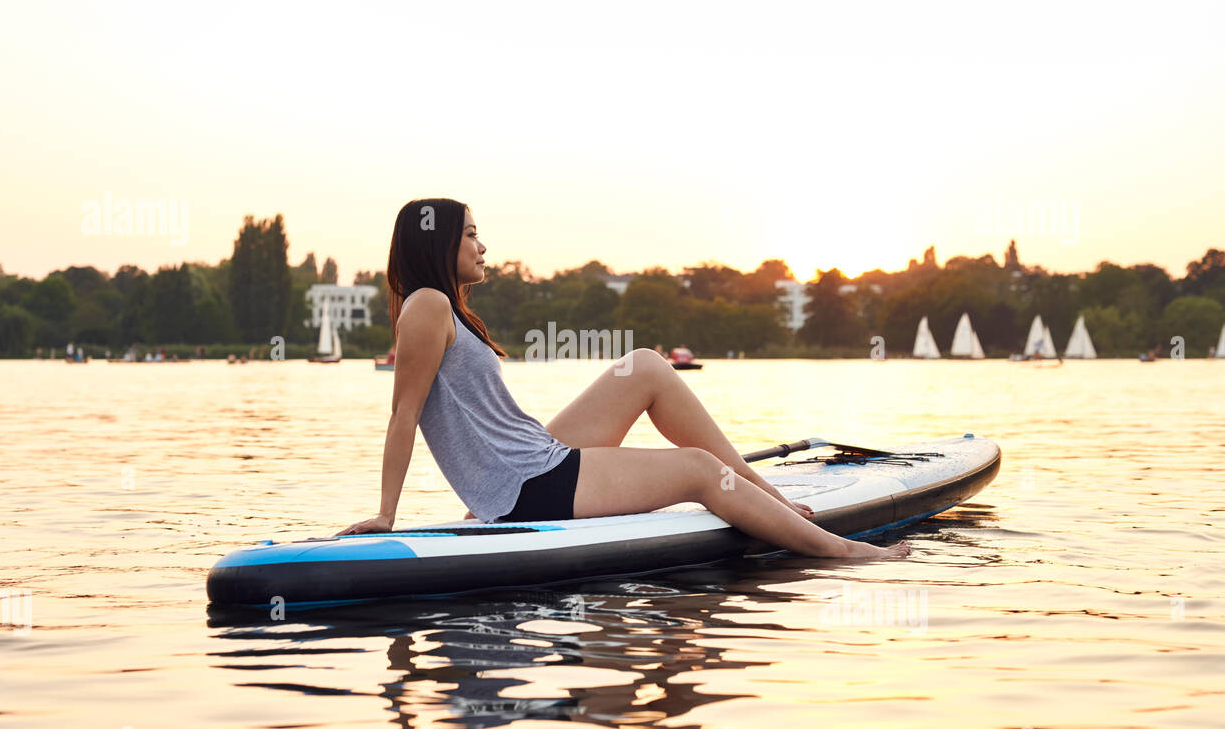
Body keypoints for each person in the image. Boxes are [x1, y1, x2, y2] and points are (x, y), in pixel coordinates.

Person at [334, 198, 907, 560]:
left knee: (646, 366)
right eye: (471, 235)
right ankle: (840, 552)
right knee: (698, 472)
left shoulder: (440, 307)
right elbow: (403, 414)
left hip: (528, 464)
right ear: (437, 244)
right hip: (528, 486)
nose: (484, 247)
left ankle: (761, 490)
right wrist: (388, 514)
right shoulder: (428, 304)